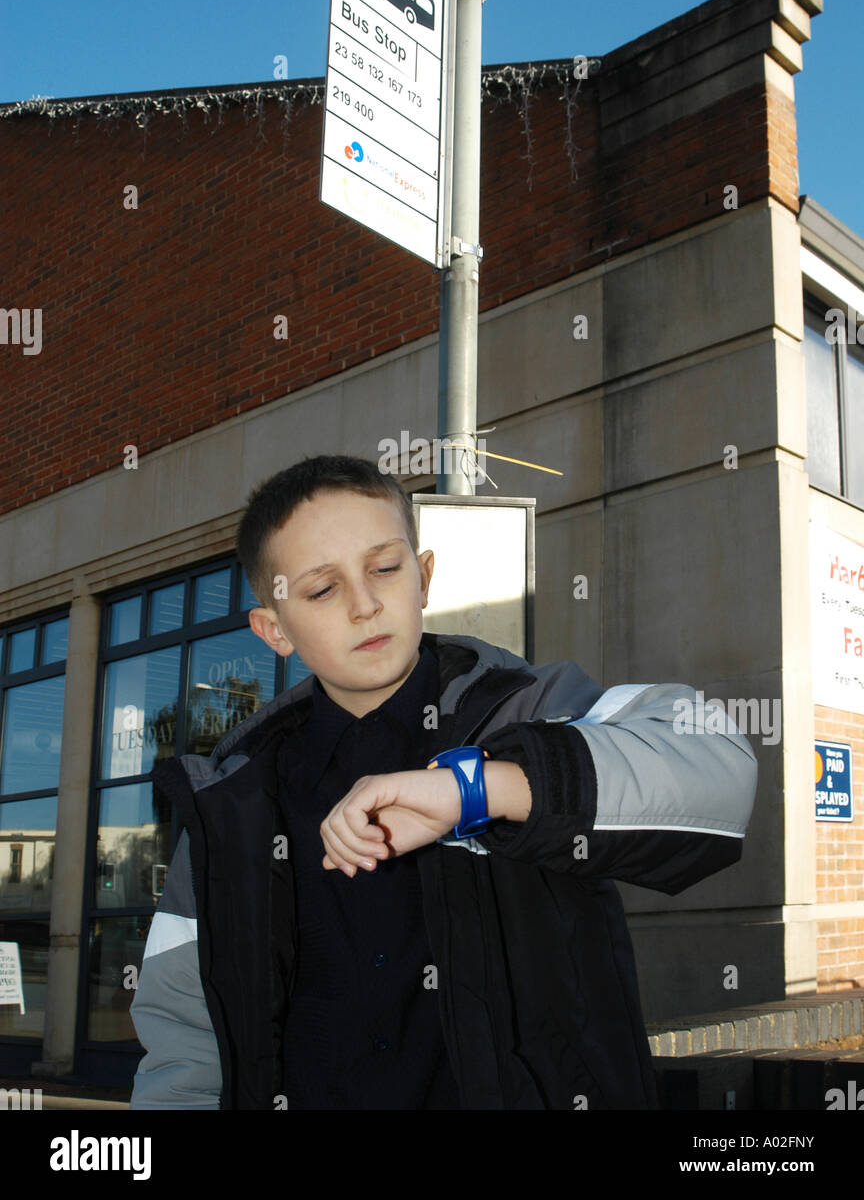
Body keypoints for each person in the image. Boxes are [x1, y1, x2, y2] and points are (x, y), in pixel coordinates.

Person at [129, 453, 758, 1110]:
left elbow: (721, 772)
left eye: (385, 568)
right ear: (273, 629)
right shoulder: (227, 803)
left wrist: (480, 790)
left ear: (423, 578)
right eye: (322, 589)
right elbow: (185, 1046)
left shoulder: (536, 706)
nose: (366, 604)